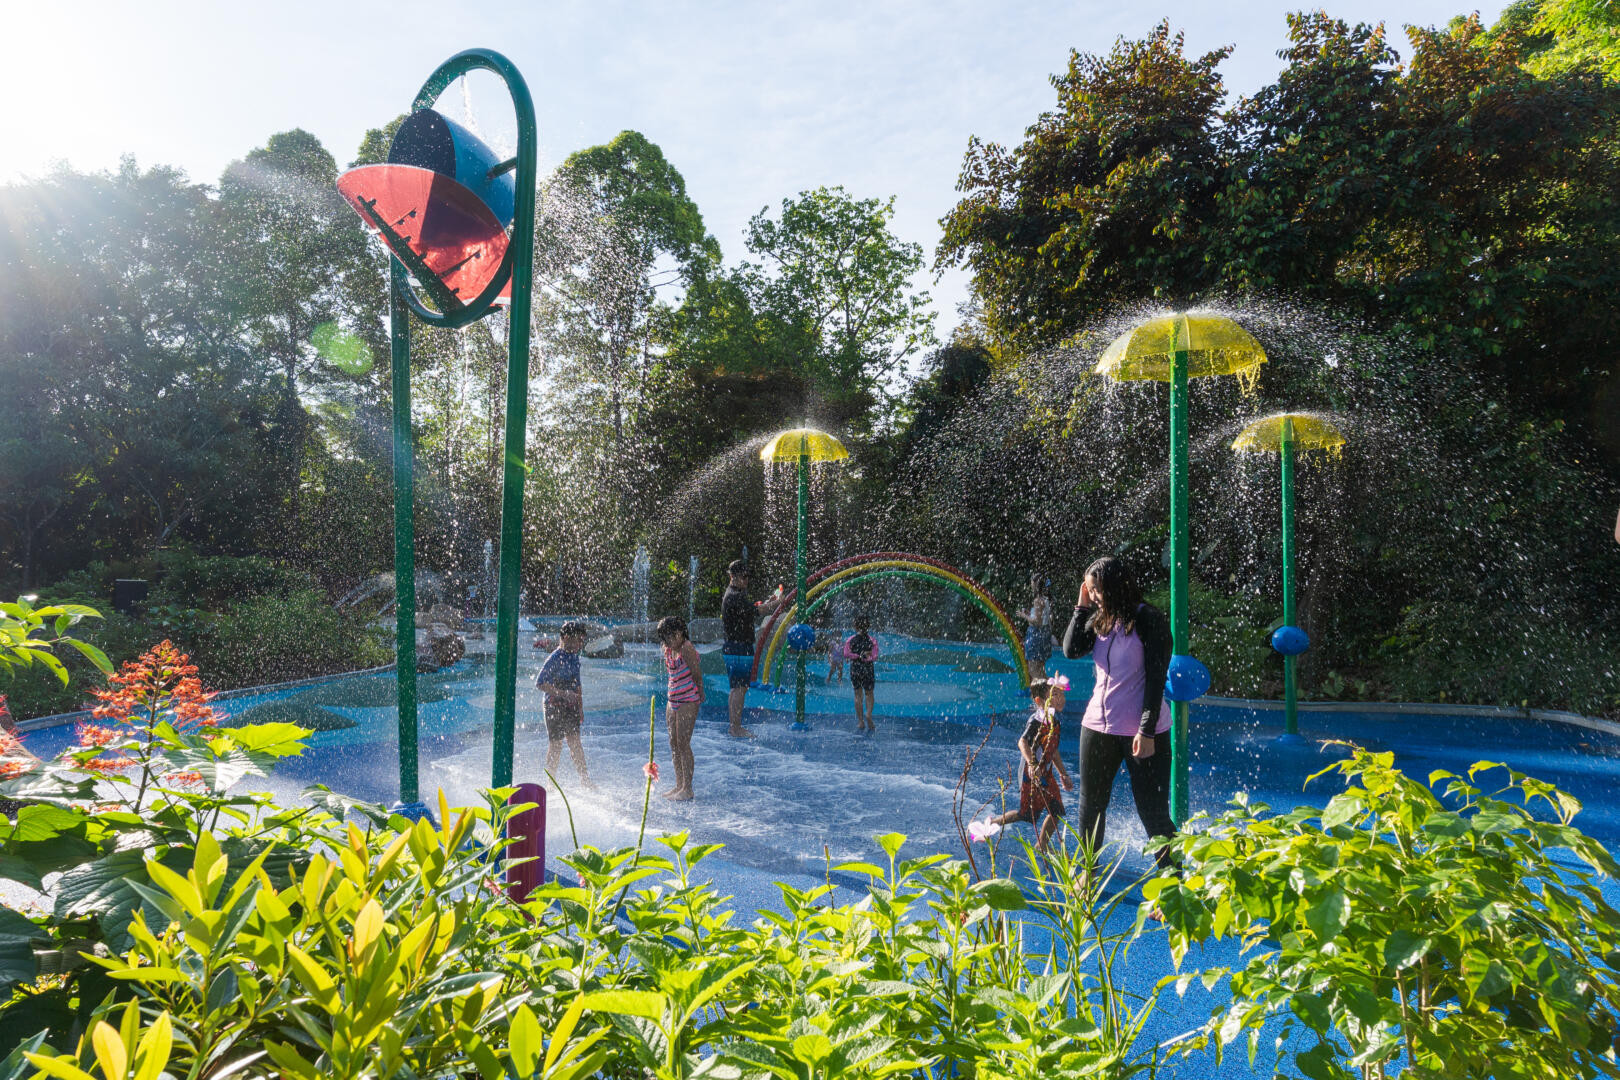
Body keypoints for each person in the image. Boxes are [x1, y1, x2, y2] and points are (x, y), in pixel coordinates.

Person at [1061, 556, 1177, 868]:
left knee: (1152, 811)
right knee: (1091, 806)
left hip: (1142, 731)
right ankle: (1087, 871)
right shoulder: (1100, 619)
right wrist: (1081, 607)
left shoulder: (1148, 619)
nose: (1095, 595)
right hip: (1097, 726)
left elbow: (1156, 679)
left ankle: (1173, 883)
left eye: (1098, 589)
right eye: (1090, 589)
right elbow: (1071, 650)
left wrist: (1147, 729)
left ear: (1115, 585)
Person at [985, 678, 1074, 853]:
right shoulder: (1037, 721)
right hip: (1030, 773)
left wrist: (1063, 774)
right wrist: (1033, 764)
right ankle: (991, 824)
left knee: (1056, 809)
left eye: (1062, 694)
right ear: (1039, 701)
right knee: (1026, 815)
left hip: (1045, 772)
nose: (1061, 698)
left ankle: (1042, 845)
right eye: (1055, 695)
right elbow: (1022, 742)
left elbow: (1053, 750)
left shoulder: (1054, 722)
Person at [720, 559, 784, 737]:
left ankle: (734, 726)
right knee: (740, 688)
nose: (746, 580)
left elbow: (750, 610)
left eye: (748, 576)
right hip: (739, 648)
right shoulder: (735, 596)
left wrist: (767, 602)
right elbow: (758, 612)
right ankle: (736, 727)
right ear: (733, 577)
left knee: (736, 687)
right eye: (743, 576)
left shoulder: (734, 594)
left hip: (734, 646)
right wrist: (778, 602)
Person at [535, 621, 592, 788]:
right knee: (556, 744)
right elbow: (540, 683)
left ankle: (584, 779)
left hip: (571, 706)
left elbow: (578, 685)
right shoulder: (555, 658)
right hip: (553, 706)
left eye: (582, 641)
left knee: (575, 742)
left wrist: (580, 708)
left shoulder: (574, 657)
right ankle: (550, 783)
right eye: (579, 640)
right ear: (566, 638)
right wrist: (563, 694)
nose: (581, 645)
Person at [657, 615, 705, 801]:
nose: (667, 641)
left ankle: (688, 788)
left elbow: (696, 673)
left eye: (670, 636)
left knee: (683, 743)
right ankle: (678, 784)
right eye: (664, 638)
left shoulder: (686, 647)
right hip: (673, 700)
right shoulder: (668, 649)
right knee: (674, 744)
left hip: (687, 699)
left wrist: (700, 694)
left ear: (679, 633)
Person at [843, 614, 880, 733]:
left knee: (857, 694)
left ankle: (860, 721)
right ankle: (868, 714)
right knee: (869, 693)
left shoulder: (850, 640)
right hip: (868, 669)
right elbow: (874, 657)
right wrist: (865, 657)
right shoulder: (872, 640)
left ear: (855, 626)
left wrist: (857, 656)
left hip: (855, 669)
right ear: (868, 626)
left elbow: (846, 654)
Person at [1018, 573, 1054, 676]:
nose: (1030, 586)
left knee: (1034, 671)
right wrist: (1029, 613)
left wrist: (1023, 615)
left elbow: (1036, 622)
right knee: (1041, 670)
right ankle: (1049, 690)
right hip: (1044, 634)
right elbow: (1044, 619)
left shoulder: (1038, 601)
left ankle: (1042, 691)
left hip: (1036, 635)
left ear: (1035, 585)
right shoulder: (1046, 599)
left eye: (1031, 583)